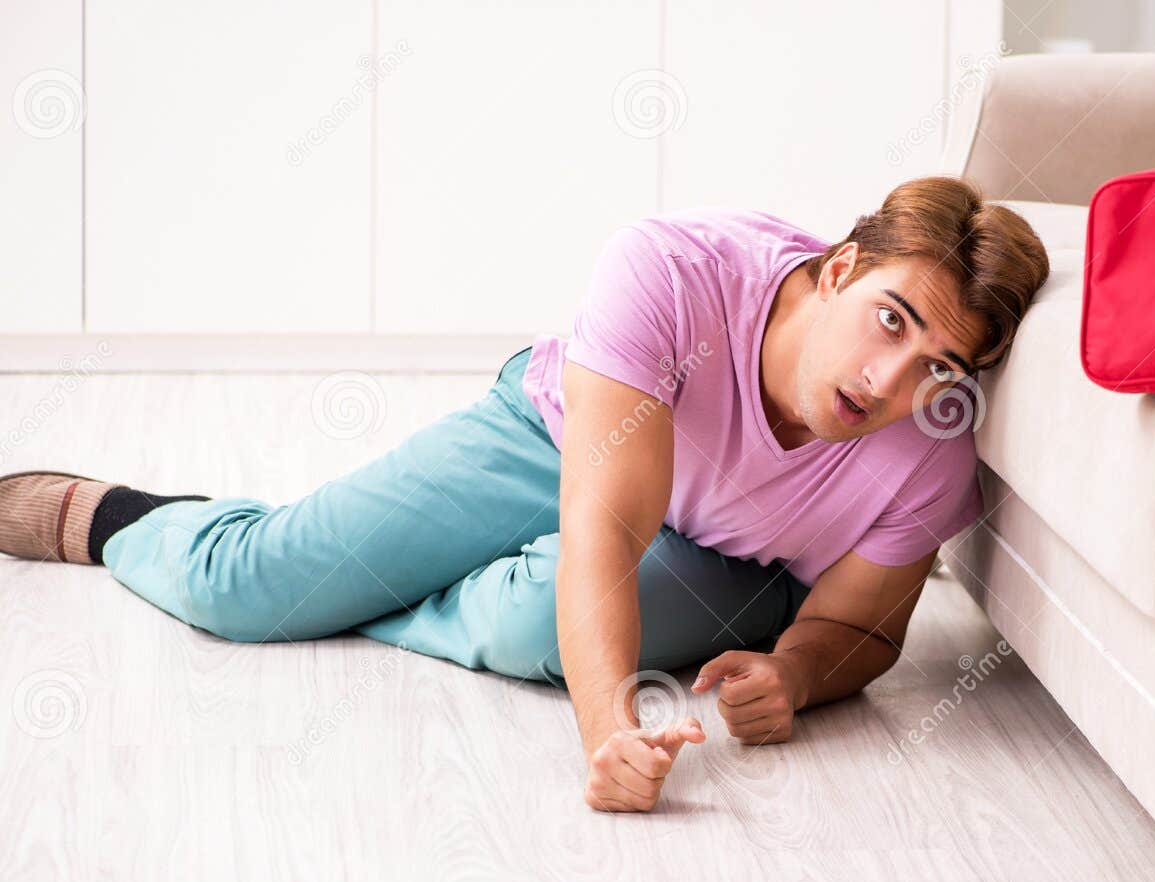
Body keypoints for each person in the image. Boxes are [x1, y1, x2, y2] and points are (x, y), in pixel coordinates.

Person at [0, 176, 1049, 812]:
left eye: (939, 366)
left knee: (532, 624)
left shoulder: (930, 449)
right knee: (251, 590)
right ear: (842, 267)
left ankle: (430, 590)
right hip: (559, 442)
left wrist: (799, 672)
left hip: (733, 562)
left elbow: (864, 631)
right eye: (893, 320)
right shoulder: (673, 269)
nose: (889, 382)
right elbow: (606, 520)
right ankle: (116, 517)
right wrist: (607, 732)